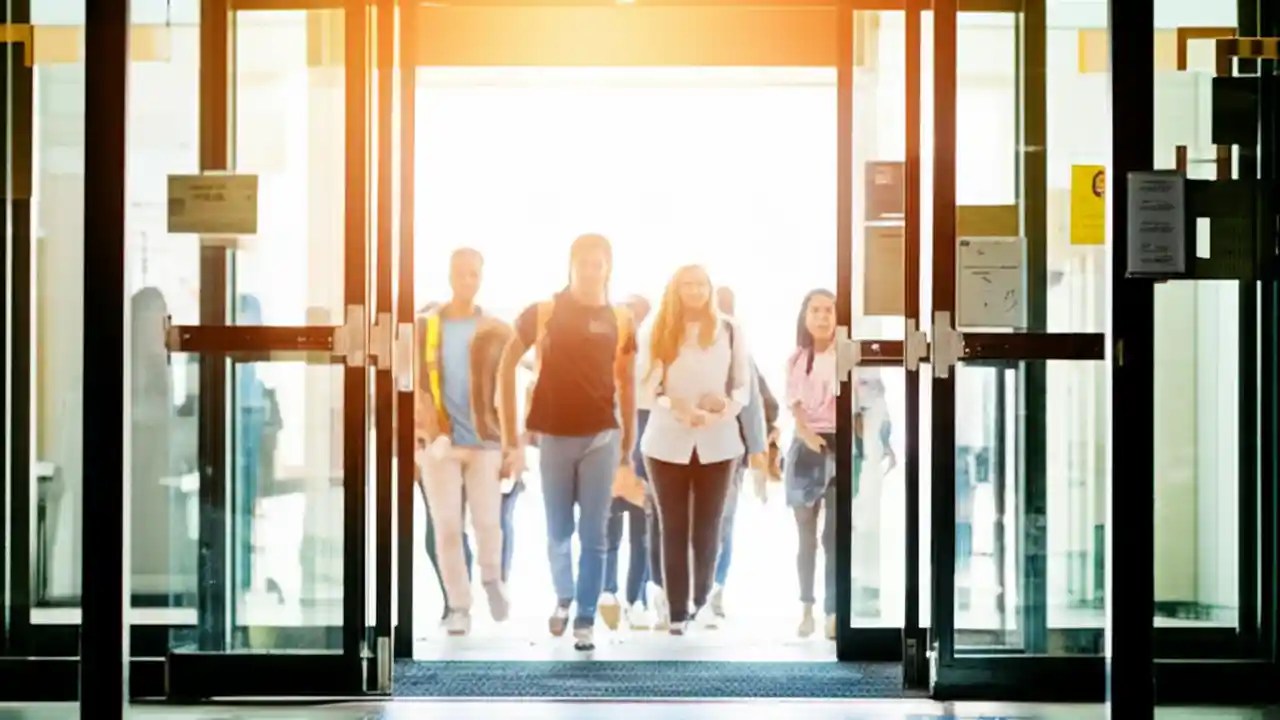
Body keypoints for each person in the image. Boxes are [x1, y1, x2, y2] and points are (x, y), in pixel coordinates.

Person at [498, 233, 638, 651]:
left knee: (594, 532)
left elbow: (627, 383)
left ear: (608, 268)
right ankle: (564, 596)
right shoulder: (544, 312)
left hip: (602, 437)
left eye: (599, 263)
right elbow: (506, 366)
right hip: (555, 436)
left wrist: (627, 449)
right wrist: (511, 439)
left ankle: (585, 617)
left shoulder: (621, 318)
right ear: (571, 266)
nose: (591, 270)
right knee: (559, 530)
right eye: (584, 263)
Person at [640, 265, 750, 635]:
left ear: (710, 288)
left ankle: (701, 602)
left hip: (718, 443)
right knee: (672, 527)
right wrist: (677, 407)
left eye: (700, 284)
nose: (694, 291)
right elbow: (646, 391)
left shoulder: (730, 330)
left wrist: (722, 407)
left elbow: (742, 389)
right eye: (687, 285)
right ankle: (676, 612)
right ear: (676, 289)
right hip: (666, 441)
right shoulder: (658, 330)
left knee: (708, 527)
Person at [415, 248, 512, 636]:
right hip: (440, 442)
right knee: (447, 527)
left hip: (485, 440)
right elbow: (411, 381)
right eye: (461, 273)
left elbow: (508, 389)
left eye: (474, 274)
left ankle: (492, 579)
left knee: (488, 522)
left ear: (481, 278)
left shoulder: (496, 330)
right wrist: (418, 431)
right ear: (450, 275)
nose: (467, 281)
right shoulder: (425, 327)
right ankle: (458, 605)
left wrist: (512, 444)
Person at [705, 286, 778, 623]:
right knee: (715, 522)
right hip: (694, 446)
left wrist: (759, 448)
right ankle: (705, 590)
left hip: (727, 449)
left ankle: (711, 589)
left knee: (720, 521)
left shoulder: (738, 350)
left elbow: (756, 403)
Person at [784, 289, 839, 641]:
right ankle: (807, 608)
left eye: (829, 310)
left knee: (834, 537)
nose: (822, 317)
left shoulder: (846, 357)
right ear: (805, 317)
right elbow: (797, 410)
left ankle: (833, 612)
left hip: (840, 444)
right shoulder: (796, 360)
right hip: (807, 450)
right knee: (807, 538)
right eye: (816, 310)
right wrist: (809, 438)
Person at [600, 295, 653, 630]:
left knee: (642, 535)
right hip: (608, 461)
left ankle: (637, 599)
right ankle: (609, 592)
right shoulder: (602, 364)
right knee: (608, 533)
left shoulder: (649, 366)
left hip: (643, 459)